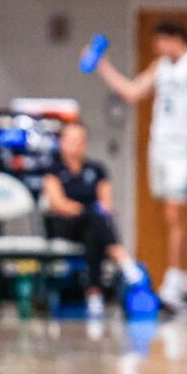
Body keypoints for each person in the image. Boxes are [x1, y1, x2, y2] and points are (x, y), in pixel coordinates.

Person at [92, 21, 187, 310]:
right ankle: (183, 280)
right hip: (161, 145)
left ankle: (174, 281)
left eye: (160, 41)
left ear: (175, 38)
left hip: (185, 145)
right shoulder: (160, 66)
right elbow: (132, 92)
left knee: (175, 213)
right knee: (171, 215)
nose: (157, 47)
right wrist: (102, 66)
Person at [42, 123, 138, 319]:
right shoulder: (53, 170)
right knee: (93, 218)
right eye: (71, 140)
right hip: (64, 225)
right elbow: (59, 204)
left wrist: (92, 211)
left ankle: (94, 295)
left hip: (90, 227)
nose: (76, 145)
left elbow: (106, 203)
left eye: (80, 140)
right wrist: (85, 210)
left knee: (93, 231)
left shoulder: (96, 169)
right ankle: (121, 258)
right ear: (62, 142)